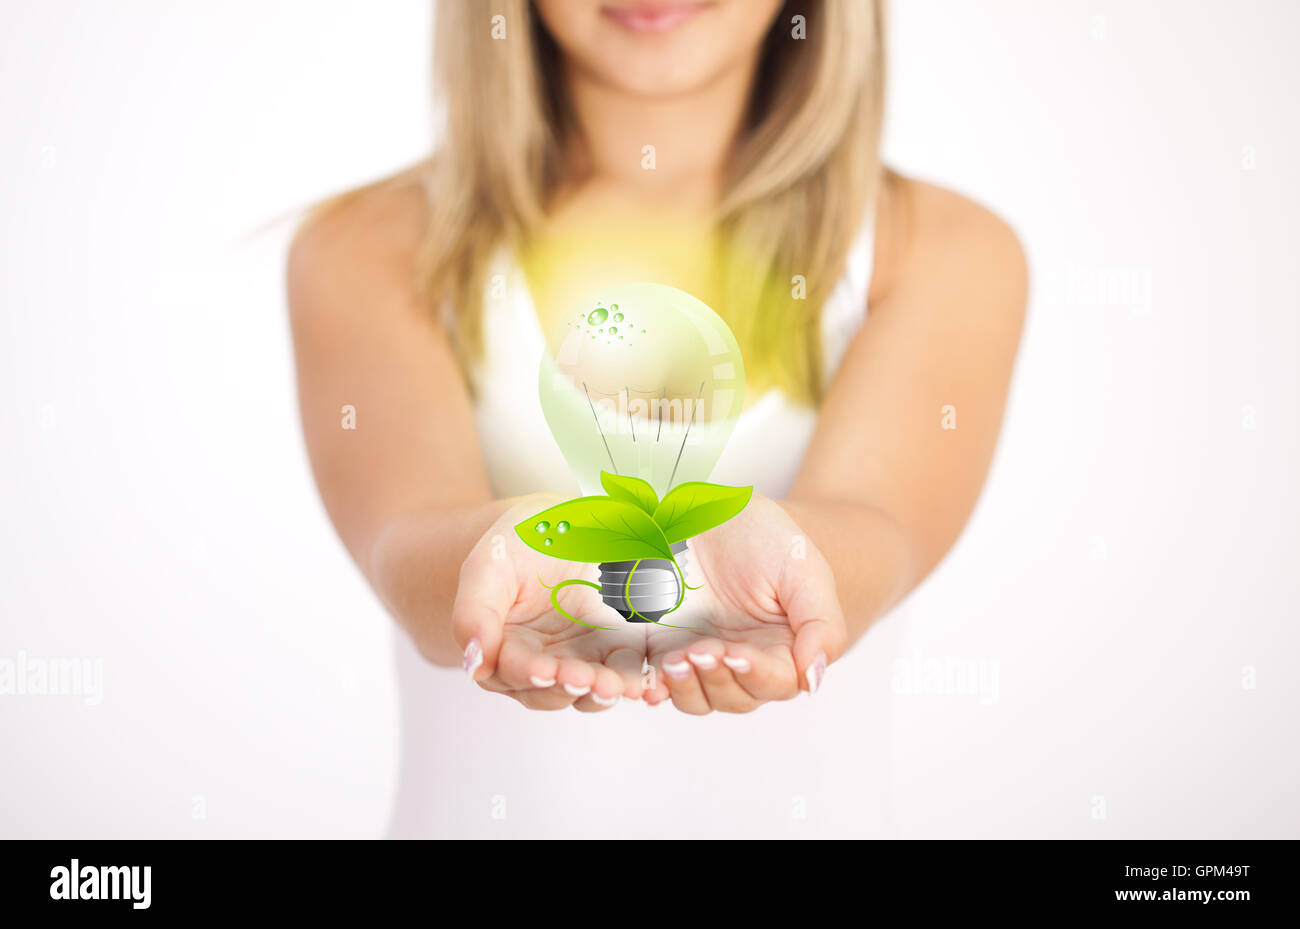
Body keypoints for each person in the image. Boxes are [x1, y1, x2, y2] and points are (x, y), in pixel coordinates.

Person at [288, 0, 1026, 837]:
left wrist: (770, 559)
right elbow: (404, 536)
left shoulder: (940, 250)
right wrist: (503, 559)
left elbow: (879, 527)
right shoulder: (365, 247)